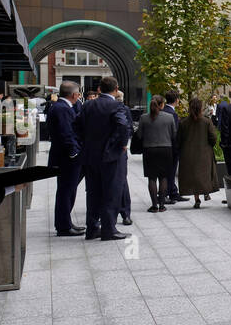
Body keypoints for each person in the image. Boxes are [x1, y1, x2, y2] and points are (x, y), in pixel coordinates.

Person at [73, 76, 132, 241]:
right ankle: (109, 229)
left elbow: (76, 125)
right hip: (111, 157)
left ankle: (92, 228)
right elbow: (123, 126)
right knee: (111, 191)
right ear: (116, 88)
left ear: (100, 89)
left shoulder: (88, 105)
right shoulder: (116, 105)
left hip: (91, 155)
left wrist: (85, 142)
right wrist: (119, 144)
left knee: (93, 192)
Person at [47, 81, 85, 237]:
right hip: (66, 158)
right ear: (74, 95)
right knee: (66, 191)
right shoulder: (62, 109)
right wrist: (74, 152)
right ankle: (63, 226)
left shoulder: (59, 107)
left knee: (67, 190)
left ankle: (65, 222)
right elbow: (66, 133)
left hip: (63, 156)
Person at [176, 96, 219, 208]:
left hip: (188, 154)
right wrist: (209, 145)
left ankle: (197, 199)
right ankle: (206, 192)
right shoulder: (206, 121)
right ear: (201, 108)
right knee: (204, 174)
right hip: (204, 152)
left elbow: (178, 139)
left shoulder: (183, 122)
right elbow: (213, 137)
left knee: (193, 176)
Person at [137, 97, 176, 213]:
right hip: (166, 149)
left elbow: (139, 135)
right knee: (164, 177)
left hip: (149, 150)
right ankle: (162, 205)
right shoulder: (169, 118)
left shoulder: (144, 118)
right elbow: (174, 135)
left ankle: (154, 205)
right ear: (162, 104)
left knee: (152, 178)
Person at [114, 89, 134, 227]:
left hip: (101, 152)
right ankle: (125, 213)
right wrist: (123, 144)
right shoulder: (123, 109)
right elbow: (128, 128)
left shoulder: (92, 106)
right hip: (119, 151)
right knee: (121, 181)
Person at [160, 91, 182, 203]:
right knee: (171, 172)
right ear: (176, 100)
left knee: (167, 171)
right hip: (172, 148)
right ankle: (168, 193)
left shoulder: (162, 111)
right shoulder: (172, 114)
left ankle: (173, 191)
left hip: (163, 145)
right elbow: (175, 133)